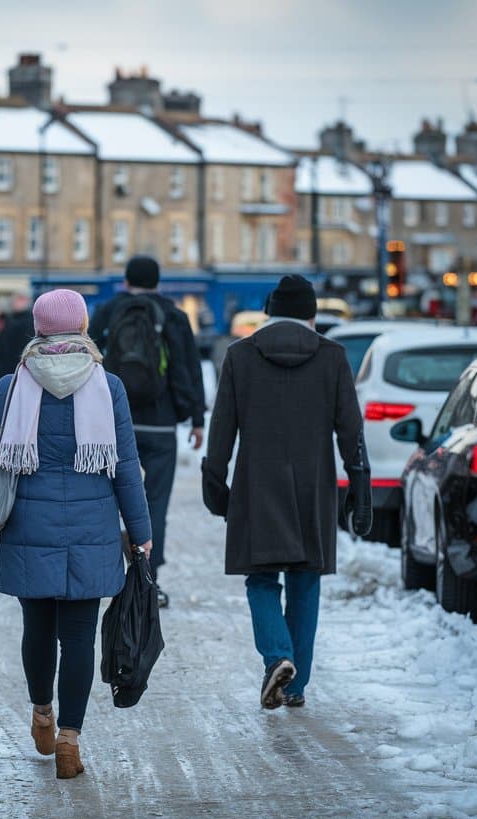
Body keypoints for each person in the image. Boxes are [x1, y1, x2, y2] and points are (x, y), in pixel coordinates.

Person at [0, 289, 152, 780]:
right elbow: (124, 467)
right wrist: (140, 531)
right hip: (90, 529)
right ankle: (70, 741)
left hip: (28, 526)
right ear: (81, 328)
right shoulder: (107, 385)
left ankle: (41, 713)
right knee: (78, 636)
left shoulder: (11, 386)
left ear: (37, 329)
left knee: (37, 627)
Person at [202, 275, 370, 710]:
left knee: (260, 578)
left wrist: (214, 482)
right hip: (314, 486)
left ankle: (278, 656)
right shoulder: (333, 357)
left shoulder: (241, 355)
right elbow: (351, 430)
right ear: (312, 314)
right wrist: (360, 485)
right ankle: (295, 685)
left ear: (269, 313)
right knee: (305, 578)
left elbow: (222, 427)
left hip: (257, 485)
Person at [90, 255, 205, 608]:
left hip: (112, 425)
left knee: (107, 502)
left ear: (126, 281)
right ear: (158, 283)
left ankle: (107, 578)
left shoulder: (108, 312)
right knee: (154, 504)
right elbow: (187, 368)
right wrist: (196, 417)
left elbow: (89, 363)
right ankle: (148, 583)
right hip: (160, 424)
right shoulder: (173, 316)